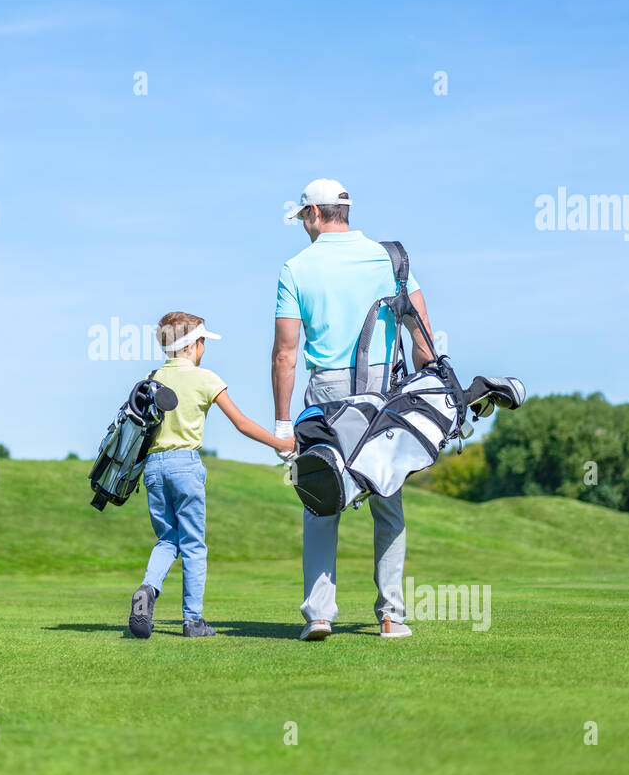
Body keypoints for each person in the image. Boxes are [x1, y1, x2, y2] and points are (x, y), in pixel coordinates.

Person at [272, 179, 435, 642]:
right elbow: (421, 333)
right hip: (383, 391)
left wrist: (284, 423)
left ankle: (320, 616)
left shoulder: (296, 267)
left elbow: (285, 353)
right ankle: (391, 616)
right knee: (388, 499)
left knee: (322, 498)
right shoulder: (389, 258)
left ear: (313, 215)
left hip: (328, 392)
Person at [128, 311, 295, 640]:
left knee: (166, 540)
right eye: (203, 342)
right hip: (186, 465)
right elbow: (242, 423)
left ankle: (148, 587)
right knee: (193, 545)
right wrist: (281, 443)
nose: (204, 348)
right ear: (191, 346)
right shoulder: (205, 379)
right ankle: (192, 621)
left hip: (153, 468)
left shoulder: (151, 377)